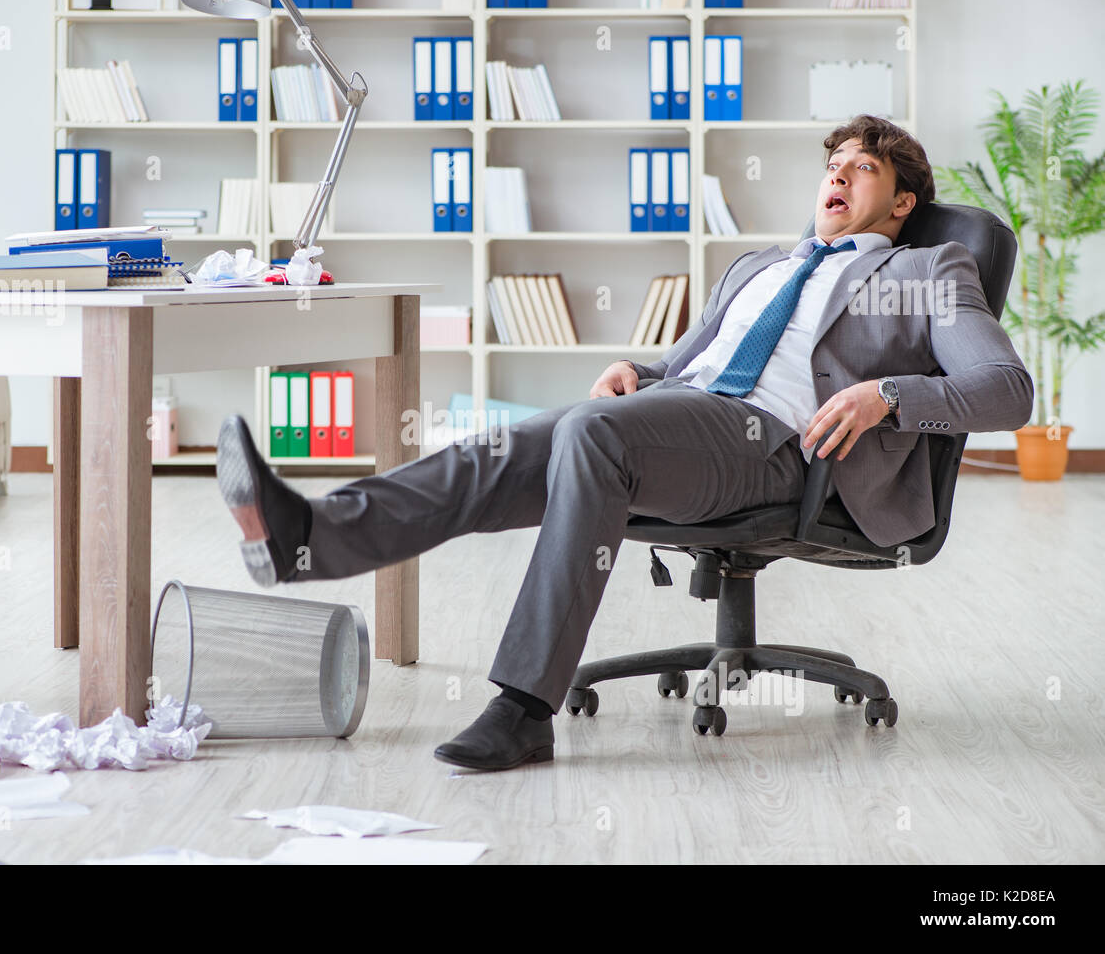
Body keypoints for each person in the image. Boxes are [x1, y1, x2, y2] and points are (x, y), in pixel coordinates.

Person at [215, 114, 1034, 772]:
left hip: (785, 447)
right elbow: (690, 363)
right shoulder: (756, 267)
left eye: (862, 169)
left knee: (591, 435)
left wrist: (887, 395)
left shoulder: (928, 270)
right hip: (683, 416)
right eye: (834, 163)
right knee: (497, 450)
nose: (838, 175)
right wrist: (638, 370)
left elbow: (1007, 391)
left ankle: (524, 708)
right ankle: (308, 538)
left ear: (899, 205)